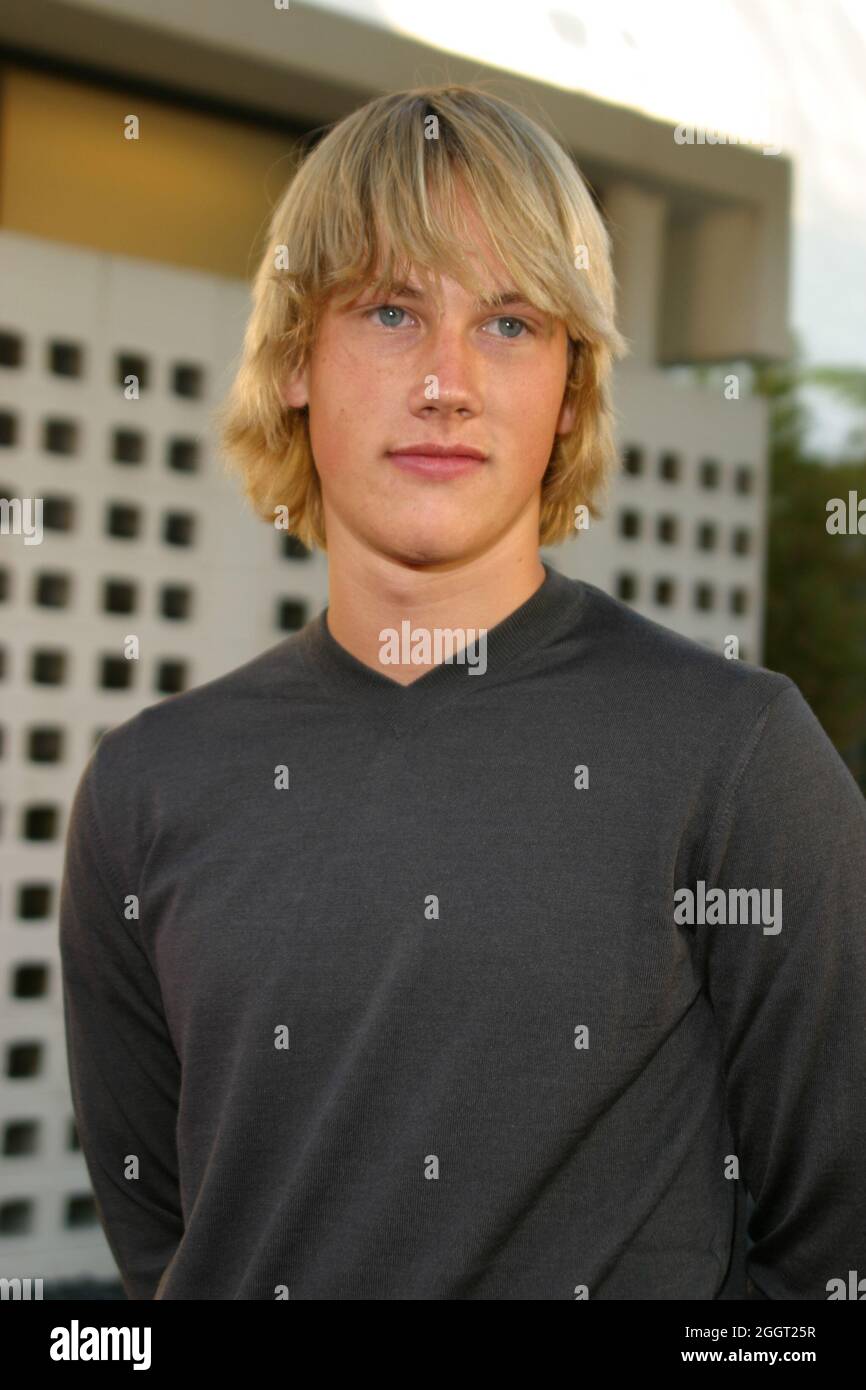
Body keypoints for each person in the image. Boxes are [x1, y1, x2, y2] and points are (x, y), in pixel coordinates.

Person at [59, 84, 866, 1301]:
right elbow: (167, 1247)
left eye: (507, 324)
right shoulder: (147, 785)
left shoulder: (738, 757)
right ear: (293, 361)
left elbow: (834, 1261)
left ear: (569, 389)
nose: (447, 380)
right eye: (390, 310)